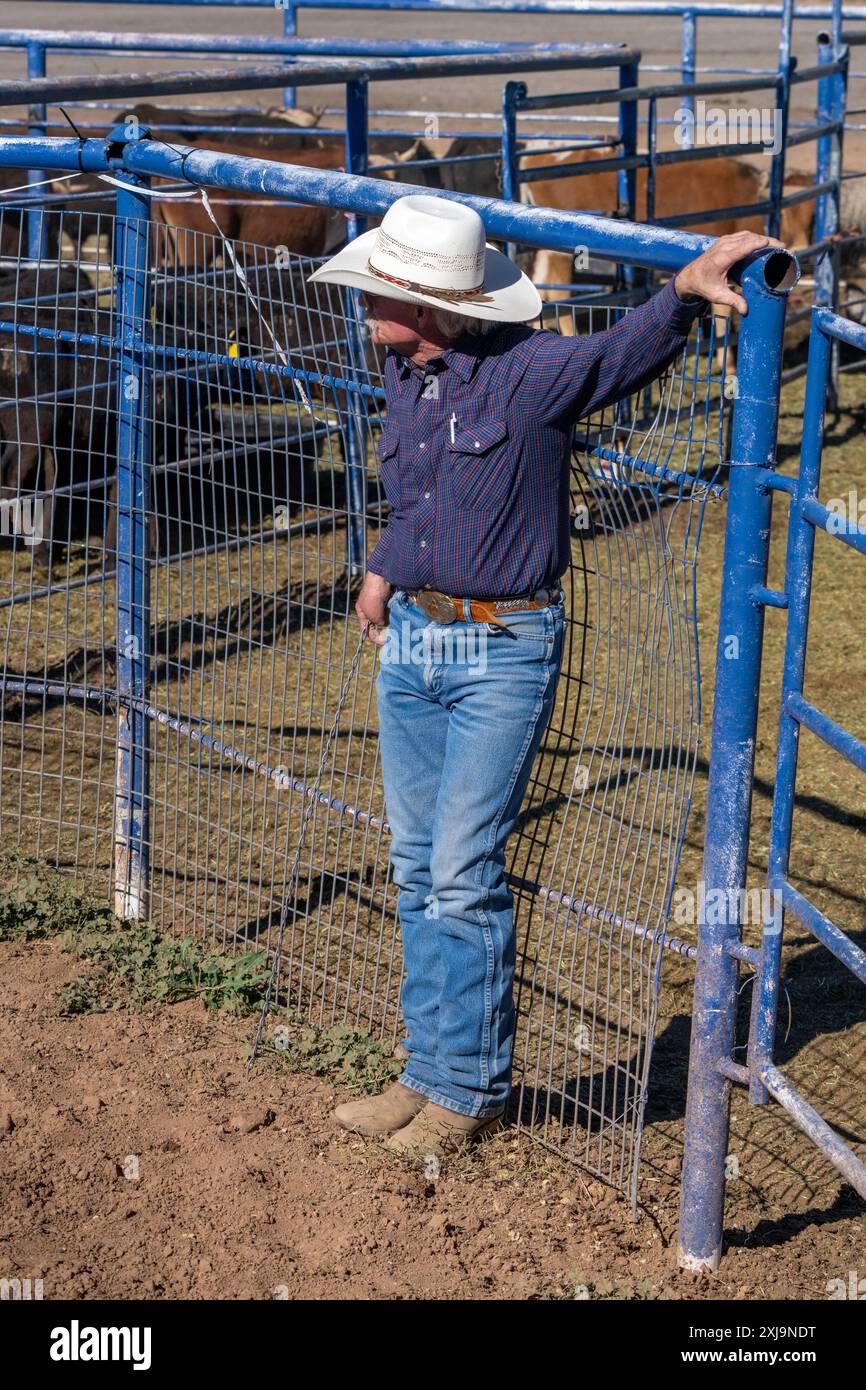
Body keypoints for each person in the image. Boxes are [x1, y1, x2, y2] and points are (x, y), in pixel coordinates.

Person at [308, 193, 774, 1157]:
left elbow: (623, 351)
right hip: (415, 640)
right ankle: (425, 1070)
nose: (364, 313)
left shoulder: (531, 374)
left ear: (431, 307)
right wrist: (386, 566)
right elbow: (425, 489)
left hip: (500, 651)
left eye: (377, 296)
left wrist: (685, 289)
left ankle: (463, 1094)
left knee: (462, 870)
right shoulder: (405, 374)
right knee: (415, 868)